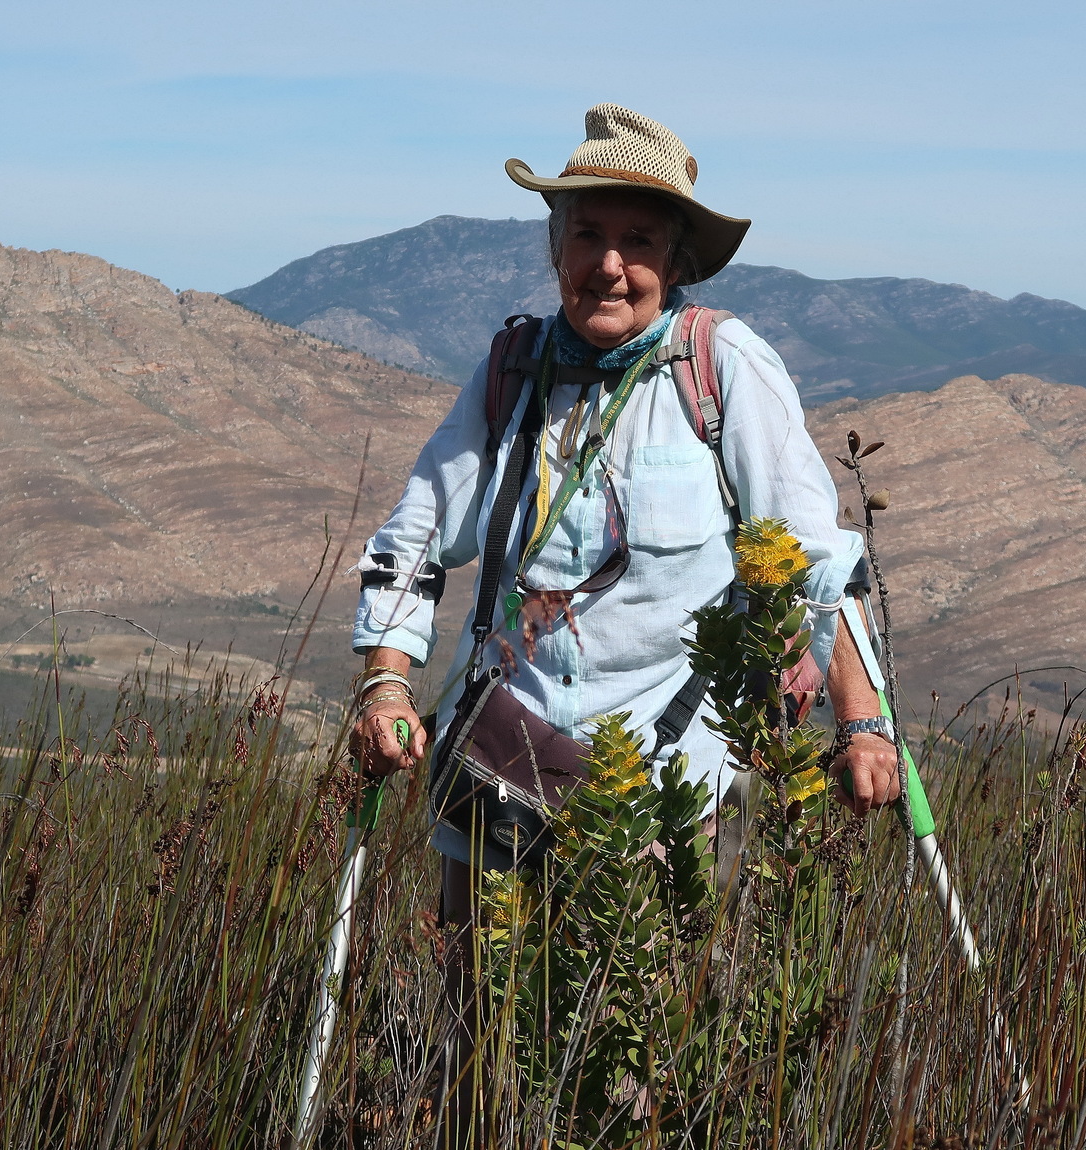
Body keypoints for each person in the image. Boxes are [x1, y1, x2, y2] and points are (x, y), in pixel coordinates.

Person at [345, 102, 900, 1137]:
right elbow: (417, 530)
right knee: (478, 1028)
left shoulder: (718, 366)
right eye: (586, 234)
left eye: (636, 240)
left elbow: (815, 560)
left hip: (659, 767)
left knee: (619, 1042)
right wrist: (384, 679)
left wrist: (861, 727)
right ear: (554, 243)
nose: (608, 264)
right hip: (500, 747)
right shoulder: (513, 373)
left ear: (675, 257)